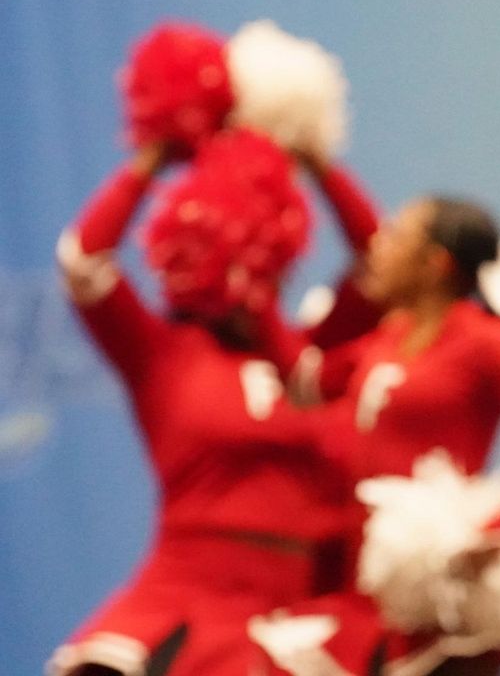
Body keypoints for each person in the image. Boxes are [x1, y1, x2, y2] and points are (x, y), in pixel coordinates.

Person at [49, 132, 382, 676]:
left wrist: (315, 161)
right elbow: (83, 262)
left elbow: (380, 265)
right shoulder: (159, 353)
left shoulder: (310, 358)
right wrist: (154, 157)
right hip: (181, 601)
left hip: (298, 618)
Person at [251, 195, 500, 676]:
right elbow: (304, 381)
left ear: (436, 263)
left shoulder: (485, 342)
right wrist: (257, 280)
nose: (378, 247)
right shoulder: (388, 334)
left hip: (430, 608)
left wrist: (494, 532)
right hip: (357, 590)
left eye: (395, 235)